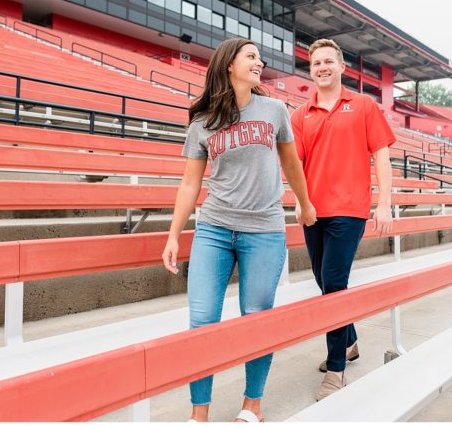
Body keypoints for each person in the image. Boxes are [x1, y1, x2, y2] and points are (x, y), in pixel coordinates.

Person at [162, 38, 317, 422]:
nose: (259, 62)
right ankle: (199, 412)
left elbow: (291, 163)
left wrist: (305, 203)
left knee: (257, 316)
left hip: (264, 230)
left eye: (260, 58)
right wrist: (173, 235)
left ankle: (252, 404)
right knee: (201, 321)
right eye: (251, 56)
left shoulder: (274, 110)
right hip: (214, 228)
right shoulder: (202, 121)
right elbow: (190, 183)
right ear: (229, 63)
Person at [290, 38, 396, 401]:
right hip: (312, 211)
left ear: (341, 67)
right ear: (311, 70)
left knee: (334, 283)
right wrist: (299, 201)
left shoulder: (363, 106)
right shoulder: (300, 114)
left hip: (349, 210)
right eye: (315, 63)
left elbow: (381, 156)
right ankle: (348, 341)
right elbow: (295, 164)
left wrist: (385, 203)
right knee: (324, 281)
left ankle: (336, 369)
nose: (322, 67)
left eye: (328, 61)